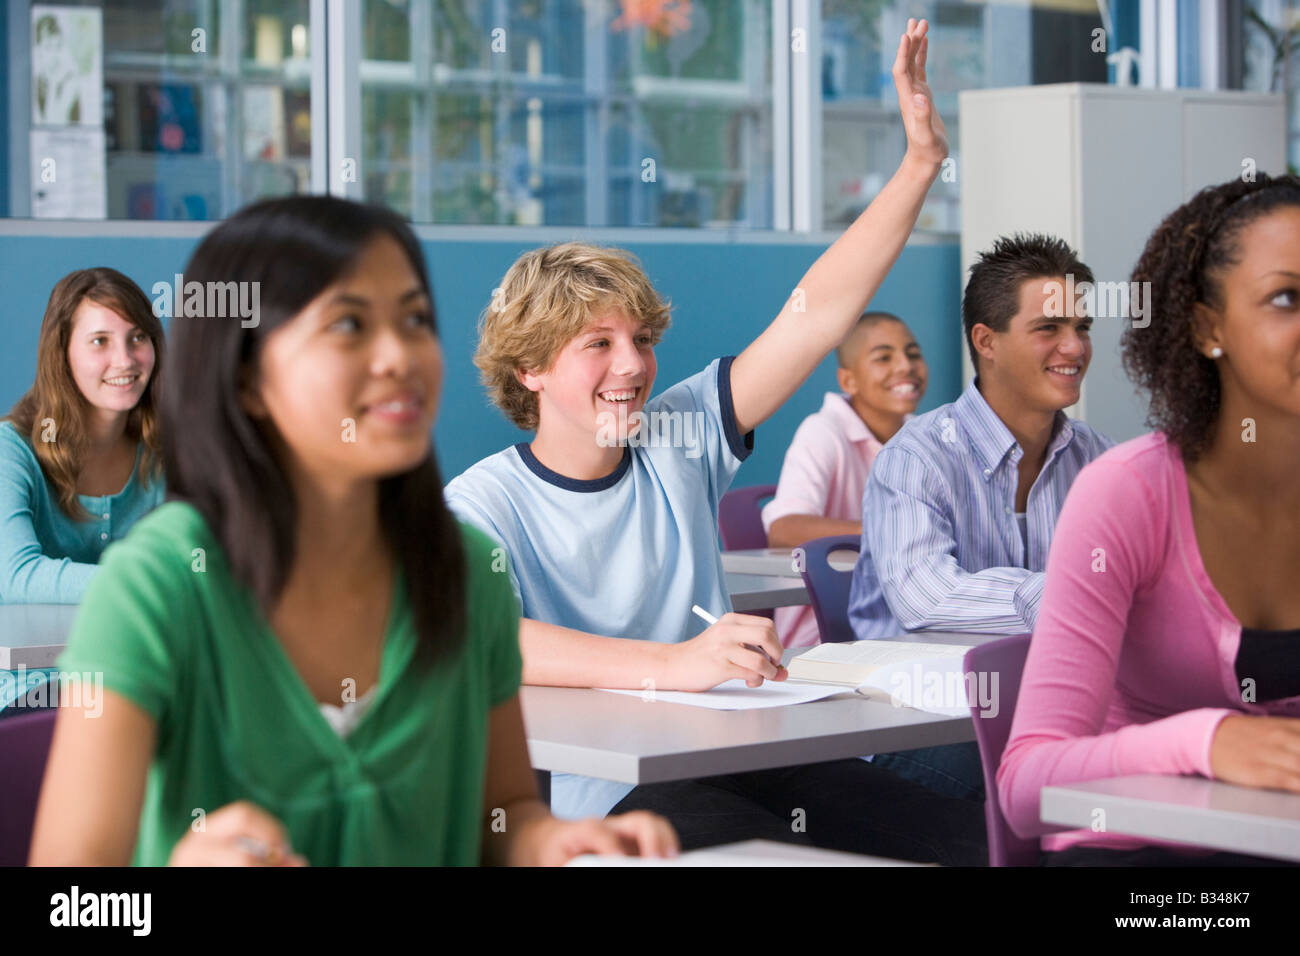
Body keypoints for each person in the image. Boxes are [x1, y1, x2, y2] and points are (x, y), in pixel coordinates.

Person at [446, 20, 986, 865]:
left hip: (752, 753)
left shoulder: (678, 435)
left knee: (964, 837)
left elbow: (816, 317)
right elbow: (494, 639)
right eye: (598, 344)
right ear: (529, 372)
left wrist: (919, 164)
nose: (633, 365)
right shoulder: (482, 502)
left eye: (641, 339)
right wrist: (675, 663)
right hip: (622, 794)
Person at [30, 196, 677, 866]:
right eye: (348, 324)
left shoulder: (464, 572)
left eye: (415, 319)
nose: (399, 355)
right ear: (247, 376)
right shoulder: (156, 588)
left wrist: (555, 841)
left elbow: (505, 815)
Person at [999, 173, 1300, 866]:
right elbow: (1022, 787)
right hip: (1143, 858)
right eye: (1286, 298)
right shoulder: (1128, 493)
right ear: (1208, 327)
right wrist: (1207, 743)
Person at [846, 233, 1114, 801]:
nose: (1075, 346)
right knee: (1074, 791)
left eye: (1082, 328)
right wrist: (1066, 599)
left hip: (1041, 709)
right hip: (916, 725)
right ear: (986, 342)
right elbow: (925, 599)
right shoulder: (917, 456)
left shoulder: (1099, 458)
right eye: (1049, 329)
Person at [762, 311, 927, 647]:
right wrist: (887, 532)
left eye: (913, 354)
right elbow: (784, 529)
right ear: (848, 380)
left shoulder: (925, 436)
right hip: (821, 643)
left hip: (901, 631)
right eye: (884, 357)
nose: (905, 367)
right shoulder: (823, 432)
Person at [0, 268, 165, 604]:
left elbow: (205, 562)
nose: (125, 359)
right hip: (38, 659)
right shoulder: (11, 450)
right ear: (62, 354)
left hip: (143, 655)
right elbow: (14, 575)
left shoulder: (170, 448)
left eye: (137, 337)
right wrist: (150, 579)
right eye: (99, 341)